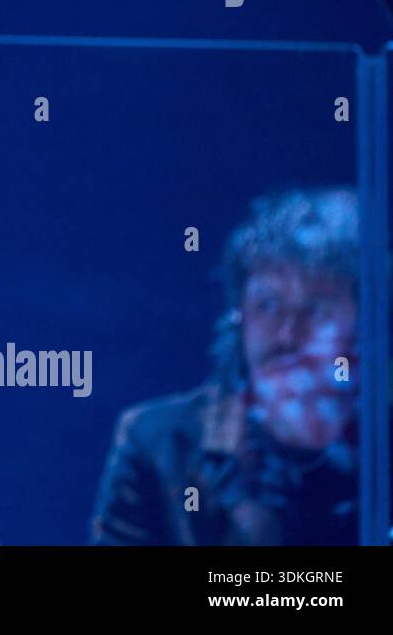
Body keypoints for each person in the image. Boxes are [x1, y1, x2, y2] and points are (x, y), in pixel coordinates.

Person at [89, 186, 367, 545]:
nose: (287, 334)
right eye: (268, 305)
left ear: (361, 324)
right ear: (239, 315)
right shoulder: (159, 442)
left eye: (316, 310)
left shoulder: (379, 442)